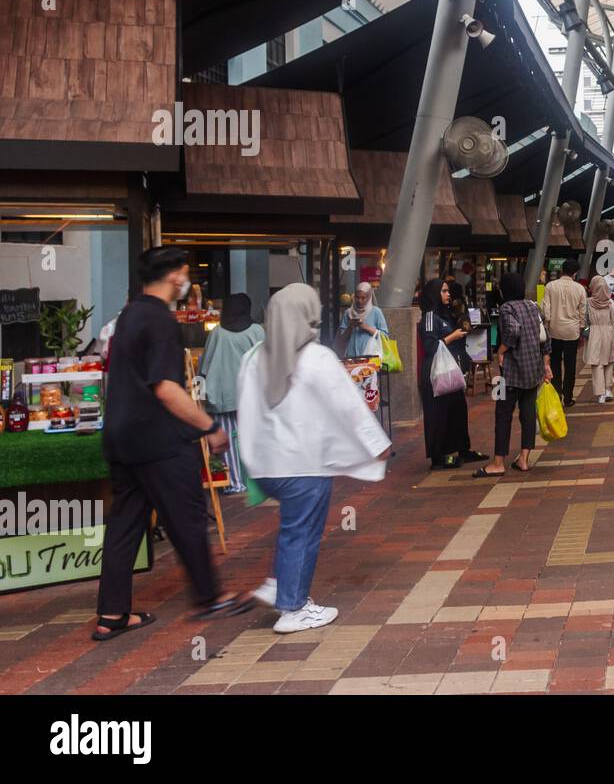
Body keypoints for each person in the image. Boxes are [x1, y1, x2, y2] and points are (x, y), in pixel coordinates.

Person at [94, 247, 255, 641]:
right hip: (158, 440)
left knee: (125, 526)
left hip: (121, 437)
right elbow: (166, 389)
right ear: (173, 276)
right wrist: (209, 427)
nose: (187, 281)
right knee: (187, 518)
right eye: (185, 273)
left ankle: (111, 616)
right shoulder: (160, 320)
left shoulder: (128, 314)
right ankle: (210, 597)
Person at [237, 284, 392, 633]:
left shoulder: (253, 358)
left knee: (292, 526)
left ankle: (279, 584)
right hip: (304, 466)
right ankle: (294, 609)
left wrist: (251, 460)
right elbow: (349, 406)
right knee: (303, 532)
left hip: (267, 466)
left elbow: (244, 412)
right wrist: (376, 443)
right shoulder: (317, 357)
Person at [475, 273, 551, 476]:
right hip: (533, 372)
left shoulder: (507, 308)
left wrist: (500, 350)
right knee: (527, 415)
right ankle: (524, 459)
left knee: (502, 414)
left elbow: (513, 330)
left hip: (507, 373)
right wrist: (546, 363)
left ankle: (498, 462)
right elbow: (545, 336)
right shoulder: (533, 306)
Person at [198, 293, 264, 493]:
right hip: (250, 395)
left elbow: (204, 365)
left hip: (221, 395)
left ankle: (234, 483)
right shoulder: (257, 331)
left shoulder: (217, 332)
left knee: (228, 440)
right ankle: (255, 480)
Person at [418, 278, 486, 470]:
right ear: (434, 294)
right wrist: (452, 337)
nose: (448, 294)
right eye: (444, 291)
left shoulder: (444, 314)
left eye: (448, 291)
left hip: (450, 371)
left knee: (457, 410)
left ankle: (462, 449)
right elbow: (430, 345)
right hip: (436, 372)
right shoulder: (430, 316)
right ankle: (437, 457)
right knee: (437, 414)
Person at [541, 258, 584, 408]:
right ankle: (568, 397)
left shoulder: (550, 286)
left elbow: (545, 310)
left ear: (562, 270)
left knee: (555, 363)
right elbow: (582, 313)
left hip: (554, 331)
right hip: (572, 332)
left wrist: (547, 327)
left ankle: (557, 393)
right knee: (570, 365)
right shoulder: (579, 288)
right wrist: (581, 330)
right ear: (575, 273)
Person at [584, 275, 614, 402]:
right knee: (609, 362)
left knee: (597, 364)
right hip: (609, 333)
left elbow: (584, 320)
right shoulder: (610, 302)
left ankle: (600, 394)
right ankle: (608, 389)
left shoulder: (588, 302)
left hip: (594, 333)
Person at [336, 280, 388, 358]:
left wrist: (366, 327)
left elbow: (385, 336)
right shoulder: (348, 313)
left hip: (370, 357)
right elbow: (342, 338)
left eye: (363, 298)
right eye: (357, 297)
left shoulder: (376, 312)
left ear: (369, 297)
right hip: (351, 357)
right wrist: (350, 327)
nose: (360, 301)